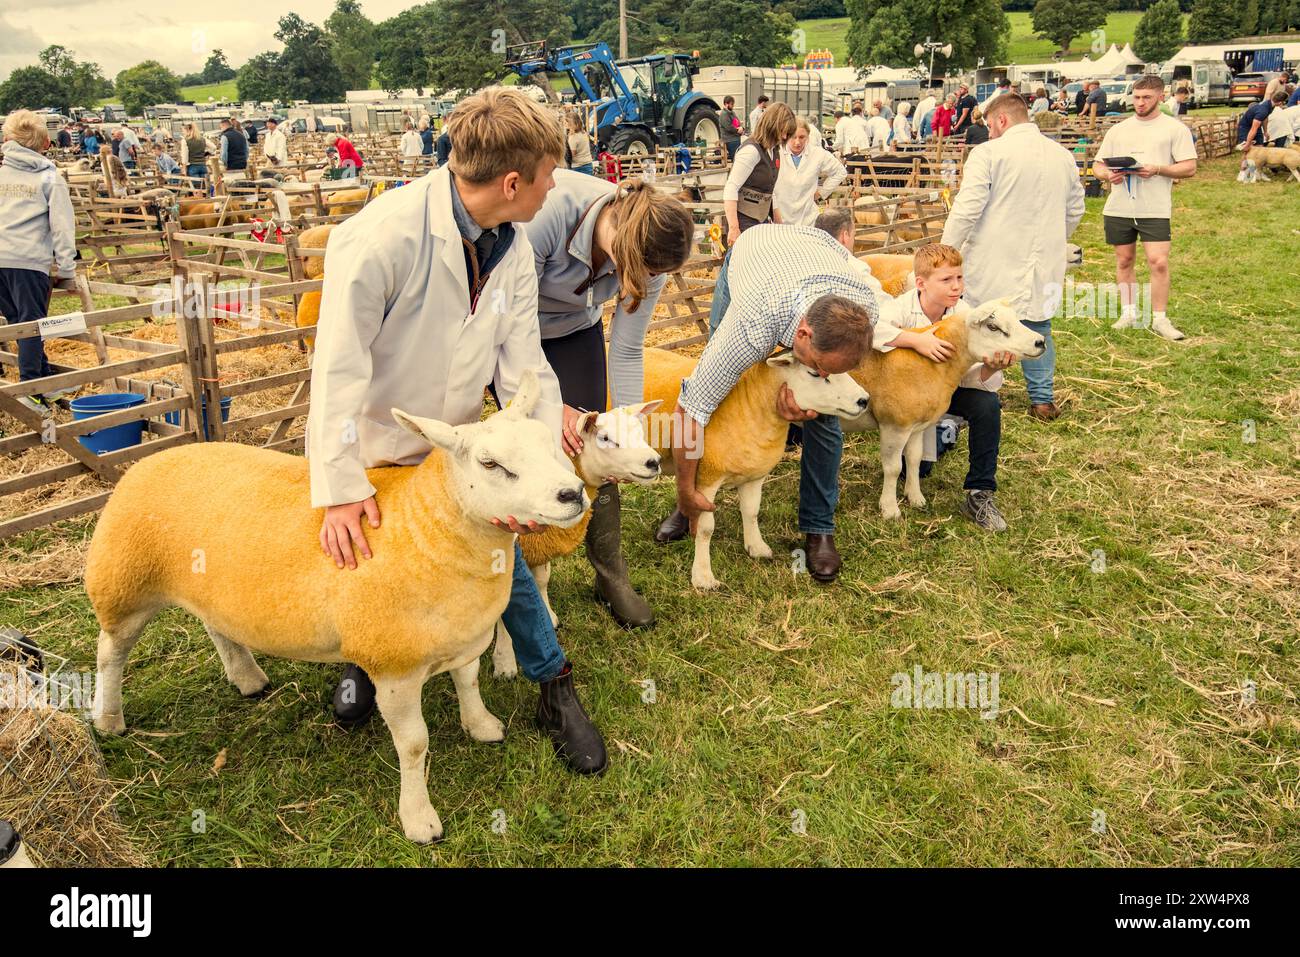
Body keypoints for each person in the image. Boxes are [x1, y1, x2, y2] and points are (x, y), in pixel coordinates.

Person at [308, 86, 608, 774]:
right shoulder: (379, 239)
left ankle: (552, 684)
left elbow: (523, 360)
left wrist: (544, 457)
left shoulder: (515, 246)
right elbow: (338, 369)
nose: (553, 187)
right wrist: (340, 484)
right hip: (383, 442)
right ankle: (364, 657)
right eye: (547, 174)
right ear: (512, 181)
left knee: (502, 560)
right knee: (368, 552)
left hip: (462, 448)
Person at [653, 223, 876, 582]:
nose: (824, 374)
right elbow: (690, 410)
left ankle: (819, 527)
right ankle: (691, 504)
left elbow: (833, 376)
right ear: (802, 335)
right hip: (753, 253)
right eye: (819, 368)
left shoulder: (865, 311)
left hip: (809, 247)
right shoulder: (752, 324)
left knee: (825, 422)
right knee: (720, 384)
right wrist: (684, 492)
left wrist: (812, 401)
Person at [523, 171, 693, 626]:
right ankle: (525, 575)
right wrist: (549, 405)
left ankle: (610, 573)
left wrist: (628, 423)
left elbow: (628, 344)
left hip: (576, 333)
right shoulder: (548, 215)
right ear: (619, 235)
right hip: (515, 338)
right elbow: (510, 321)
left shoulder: (648, 255)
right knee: (530, 445)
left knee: (599, 445)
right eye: (640, 272)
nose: (645, 281)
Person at [941, 93, 1084, 422]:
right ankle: (1042, 400)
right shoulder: (1061, 156)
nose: (989, 132)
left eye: (990, 125)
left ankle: (977, 391)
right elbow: (1076, 208)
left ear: (1002, 120)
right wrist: (1053, 237)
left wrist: (946, 252)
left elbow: (967, 207)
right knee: (1038, 323)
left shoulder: (989, 153)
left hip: (994, 255)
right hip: (1041, 258)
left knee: (980, 321)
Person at [872, 243, 1016, 531]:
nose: (956, 286)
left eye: (959, 278)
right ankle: (944, 433)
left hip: (946, 391)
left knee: (987, 406)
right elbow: (873, 330)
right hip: (906, 396)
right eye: (947, 280)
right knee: (920, 469)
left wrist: (990, 367)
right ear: (922, 283)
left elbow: (972, 375)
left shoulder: (965, 315)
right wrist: (916, 340)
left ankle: (980, 492)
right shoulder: (900, 307)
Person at [1094, 75, 1198, 342]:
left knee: (1158, 262)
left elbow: (1189, 166)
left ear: (1160, 97)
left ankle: (1160, 319)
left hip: (1155, 208)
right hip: (1119, 207)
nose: (1139, 103)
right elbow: (1097, 165)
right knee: (1124, 260)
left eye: (1146, 98)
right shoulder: (1118, 130)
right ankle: (1129, 312)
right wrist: (1108, 176)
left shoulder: (1174, 129)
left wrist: (1158, 169)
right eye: (1136, 97)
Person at [0, 111, 77, 415]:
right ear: (46, 142)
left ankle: (43, 382)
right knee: (31, 325)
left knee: (18, 322)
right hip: (28, 260)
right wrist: (67, 268)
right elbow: (62, 226)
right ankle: (30, 389)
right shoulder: (49, 177)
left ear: (8, 140)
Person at [774, 117, 847, 227]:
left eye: (802, 137)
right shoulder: (776, 152)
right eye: (793, 137)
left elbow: (840, 172)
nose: (797, 142)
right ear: (786, 136)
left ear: (808, 136)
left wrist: (821, 192)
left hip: (808, 217)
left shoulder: (817, 154)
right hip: (781, 215)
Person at [179, 122, 208, 191]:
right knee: (204, 188)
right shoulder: (202, 139)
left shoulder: (185, 140)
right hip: (203, 166)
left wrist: (184, 169)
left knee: (197, 190)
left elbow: (185, 157)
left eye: (183, 130)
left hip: (193, 166)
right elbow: (213, 147)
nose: (183, 132)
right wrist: (205, 153)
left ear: (187, 130)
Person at [719, 95, 743, 162]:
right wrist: (738, 130)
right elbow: (728, 127)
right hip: (730, 140)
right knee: (736, 159)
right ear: (726, 104)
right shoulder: (723, 114)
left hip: (735, 138)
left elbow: (737, 122)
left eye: (733, 104)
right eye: (731, 104)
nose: (733, 106)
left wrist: (741, 128)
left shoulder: (732, 113)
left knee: (737, 158)